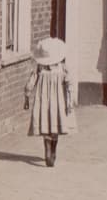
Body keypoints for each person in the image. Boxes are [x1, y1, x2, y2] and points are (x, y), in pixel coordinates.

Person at [23, 37, 76, 167]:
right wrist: (69, 100)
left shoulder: (40, 68)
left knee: (46, 122)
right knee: (55, 124)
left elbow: (31, 82)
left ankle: (47, 150)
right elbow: (69, 84)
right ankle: (53, 151)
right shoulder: (63, 68)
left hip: (44, 101)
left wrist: (27, 95)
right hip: (58, 102)